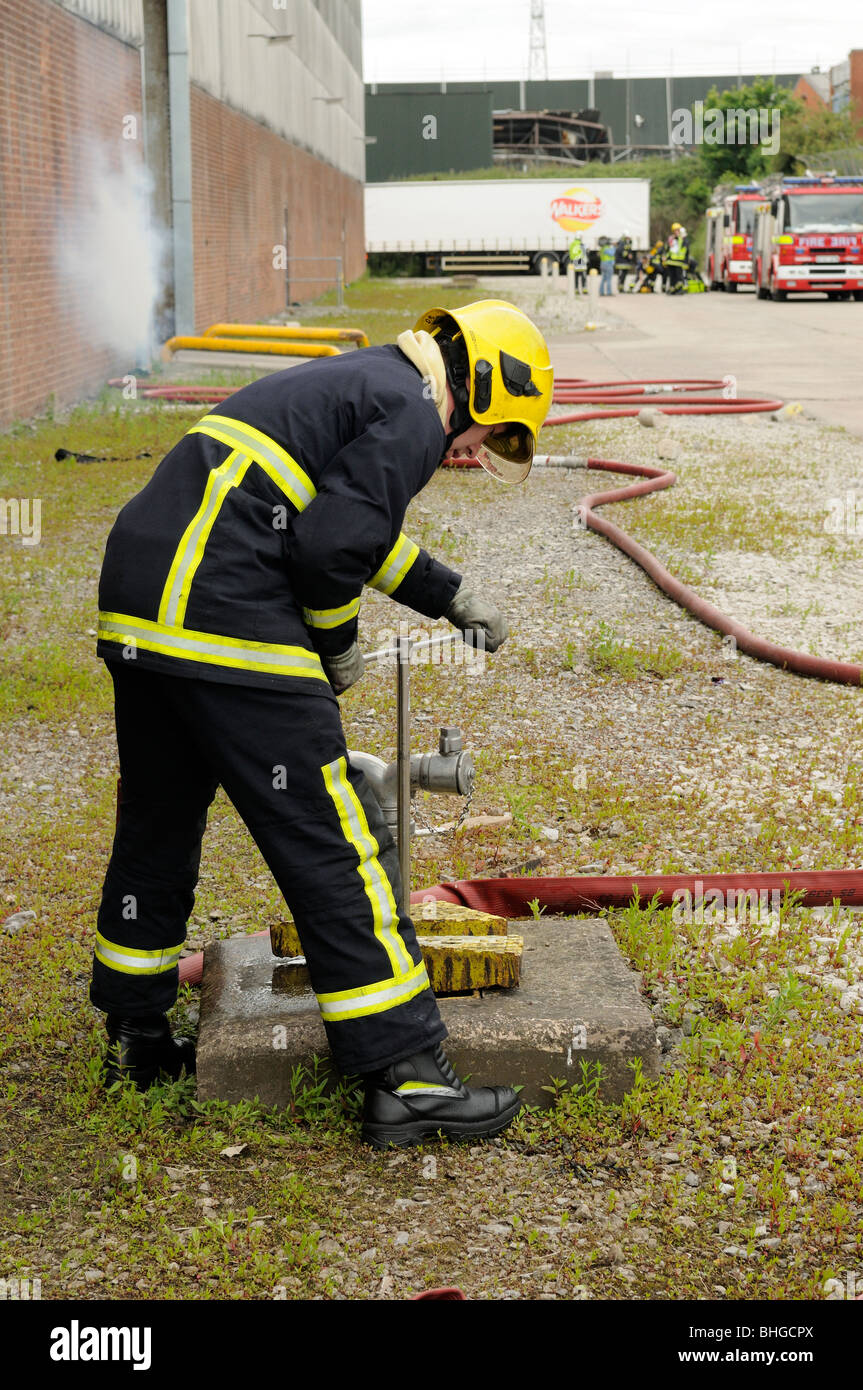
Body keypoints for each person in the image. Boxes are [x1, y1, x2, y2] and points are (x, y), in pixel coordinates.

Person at [91, 299, 554, 1150]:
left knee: (157, 822)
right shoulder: (414, 408)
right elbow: (328, 548)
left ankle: (137, 1038)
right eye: (490, 437)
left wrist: (448, 595)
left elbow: (325, 517)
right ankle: (407, 1076)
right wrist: (337, 644)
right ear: (485, 381)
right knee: (336, 838)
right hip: (222, 604)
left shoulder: (358, 381)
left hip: (142, 600)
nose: (472, 453)